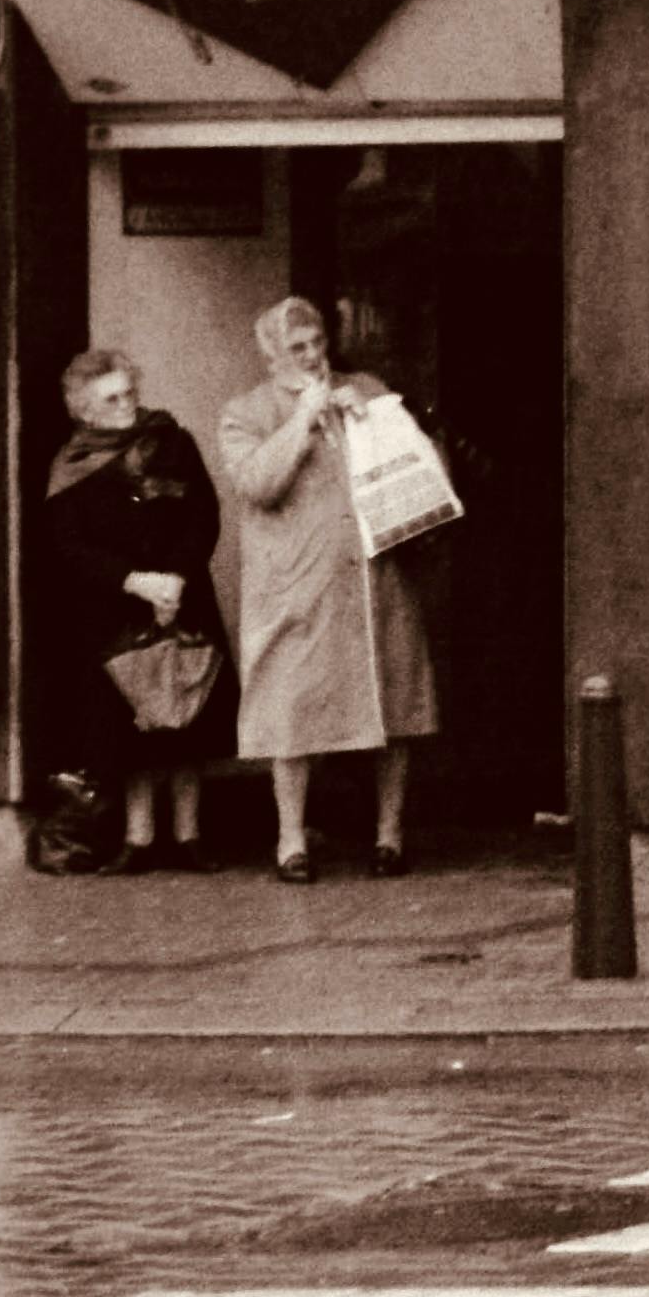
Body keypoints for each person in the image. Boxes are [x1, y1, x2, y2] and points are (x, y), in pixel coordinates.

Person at [217, 294, 437, 883]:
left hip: (374, 578)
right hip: (298, 587)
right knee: (290, 710)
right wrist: (301, 419)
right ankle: (291, 841)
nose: (313, 355)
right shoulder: (246, 411)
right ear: (271, 356)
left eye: (318, 342)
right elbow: (257, 484)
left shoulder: (365, 388)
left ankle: (389, 836)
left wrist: (374, 420)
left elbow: (420, 465)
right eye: (298, 347)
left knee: (395, 703)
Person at [35, 350, 229, 873]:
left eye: (129, 393)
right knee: (131, 723)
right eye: (112, 399)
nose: (127, 405)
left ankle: (189, 836)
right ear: (84, 410)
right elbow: (68, 544)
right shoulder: (71, 464)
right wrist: (135, 582)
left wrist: (176, 578)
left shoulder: (173, 442)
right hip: (115, 606)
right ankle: (139, 839)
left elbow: (204, 515)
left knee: (189, 712)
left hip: (183, 596)